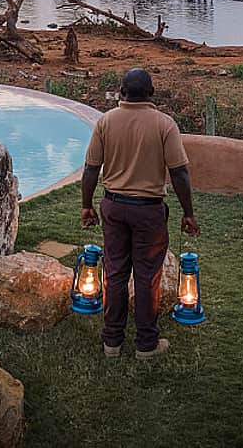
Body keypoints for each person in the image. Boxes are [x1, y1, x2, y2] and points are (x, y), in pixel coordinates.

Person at [81, 68, 199, 360]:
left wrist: (86, 205)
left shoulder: (106, 122)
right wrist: (188, 212)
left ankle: (112, 342)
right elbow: (179, 172)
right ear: (151, 93)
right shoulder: (164, 124)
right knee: (147, 276)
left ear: (121, 92)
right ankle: (146, 344)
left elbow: (91, 169)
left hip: (114, 207)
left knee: (116, 272)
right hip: (148, 211)